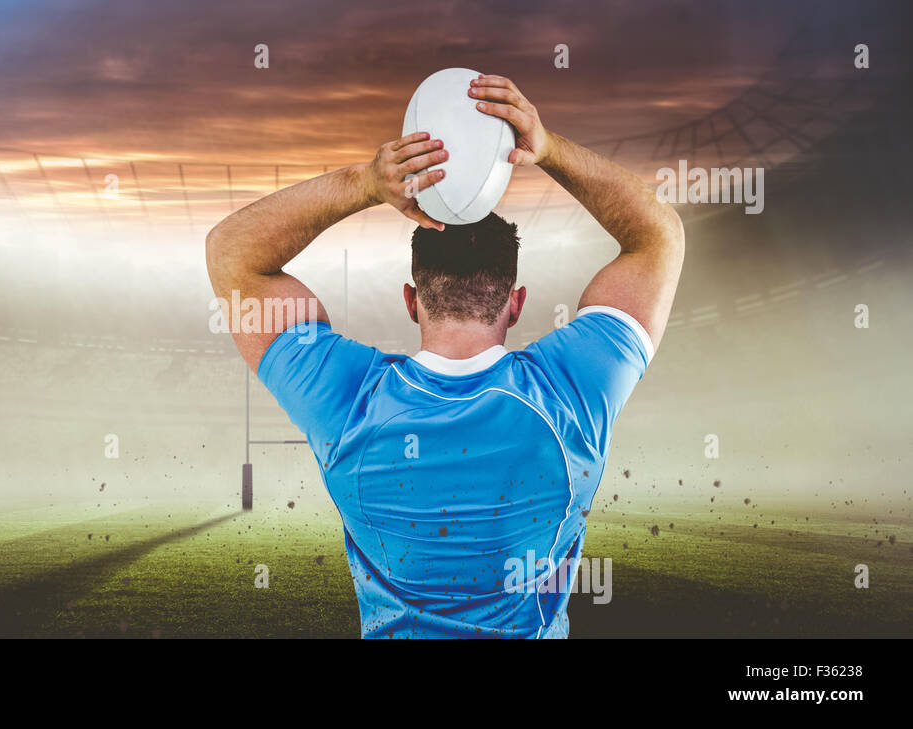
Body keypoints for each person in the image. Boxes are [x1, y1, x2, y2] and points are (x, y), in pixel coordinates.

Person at [204, 73, 684, 638]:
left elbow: (232, 253)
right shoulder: (571, 391)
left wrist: (366, 183)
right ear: (516, 303)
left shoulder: (346, 401)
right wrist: (548, 149)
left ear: (412, 301)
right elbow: (659, 236)